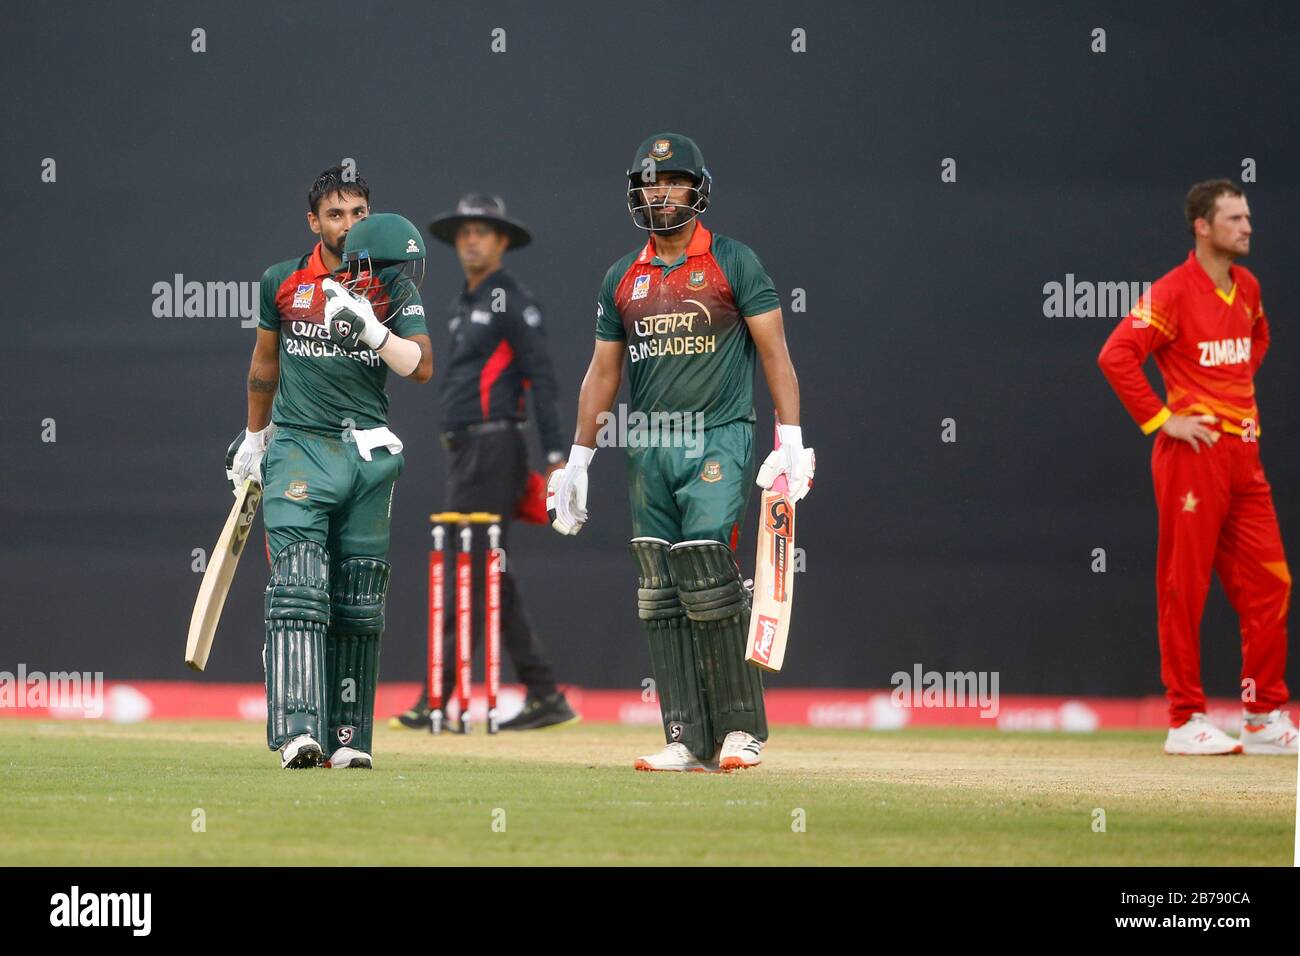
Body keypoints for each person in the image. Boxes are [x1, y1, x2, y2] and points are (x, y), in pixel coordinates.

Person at [546, 133, 814, 771]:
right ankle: (687, 737)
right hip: (649, 446)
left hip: (718, 434)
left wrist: (792, 438)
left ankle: (742, 730)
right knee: (658, 586)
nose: (658, 192)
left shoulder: (733, 261)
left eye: (672, 181)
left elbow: (775, 353)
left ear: (697, 189)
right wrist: (579, 459)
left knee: (706, 571)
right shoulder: (623, 277)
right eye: (648, 182)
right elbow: (602, 375)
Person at [230, 166, 433, 769]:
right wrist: (253, 436)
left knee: (358, 598)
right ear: (314, 222)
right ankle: (297, 731)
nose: (349, 226)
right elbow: (265, 363)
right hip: (299, 445)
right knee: (298, 586)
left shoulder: (394, 283)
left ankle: (349, 739)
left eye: (359, 213)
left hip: (366, 451)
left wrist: (374, 332)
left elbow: (420, 367)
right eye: (336, 215)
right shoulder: (283, 280)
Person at [1098, 178, 1295, 756]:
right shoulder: (1173, 292)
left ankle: (1261, 715)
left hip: (1246, 457)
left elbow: (1256, 341)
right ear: (1202, 227)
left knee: (1270, 584)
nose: (1248, 227)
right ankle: (1185, 719)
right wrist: (1166, 419)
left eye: (1248, 217)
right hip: (1194, 456)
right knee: (1185, 588)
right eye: (1235, 218)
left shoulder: (1249, 287)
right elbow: (1116, 355)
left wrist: (1232, 390)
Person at [389, 194, 578, 732]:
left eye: (484, 231)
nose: (471, 239)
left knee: (465, 566)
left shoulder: (512, 300)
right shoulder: (463, 302)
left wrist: (558, 457)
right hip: (471, 451)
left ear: (502, 242)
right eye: (464, 231)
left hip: (495, 449)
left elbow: (543, 381)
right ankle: (543, 692)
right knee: (491, 570)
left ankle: (437, 696)